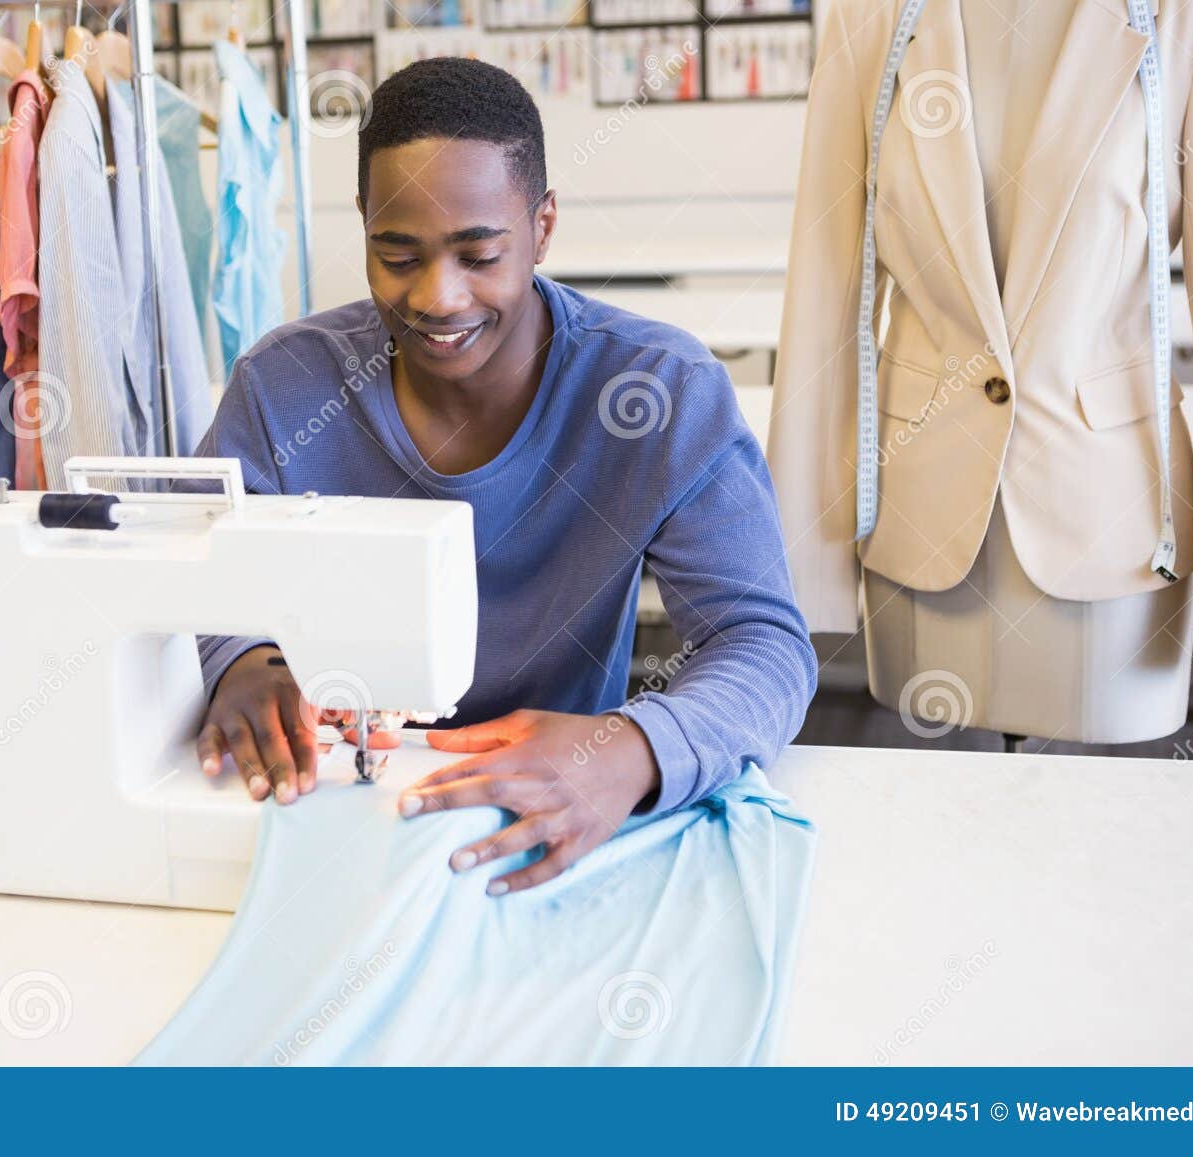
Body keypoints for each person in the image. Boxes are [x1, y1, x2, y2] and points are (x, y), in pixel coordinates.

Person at [188, 57, 816, 895]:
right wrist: (242, 658)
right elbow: (192, 575)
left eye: (479, 253)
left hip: (555, 812)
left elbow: (764, 643)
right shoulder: (284, 388)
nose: (439, 297)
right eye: (396, 254)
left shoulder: (657, 394)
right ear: (365, 226)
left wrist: (629, 750)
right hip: (334, 812)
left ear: (543, 226)